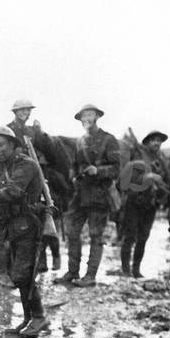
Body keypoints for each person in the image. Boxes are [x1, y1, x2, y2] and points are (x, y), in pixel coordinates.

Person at [0, 125, 49, 337]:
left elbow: (14, 191)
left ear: (12, 144)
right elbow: (0, 191)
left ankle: (39, 317)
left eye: (1, 145)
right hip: (11, 225)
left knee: (23, 273)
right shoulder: (1, 166)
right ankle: (28, 318)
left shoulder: (26, 164)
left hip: (27, 225)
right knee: (16, 274)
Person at [57, 104, 121, 287]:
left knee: (95, 235)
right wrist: (72, 174)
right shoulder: (80, 141)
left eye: (90, 115)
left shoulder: (108, 140)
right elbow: (75, 164)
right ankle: (72, 271)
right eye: (83, 116)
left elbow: (117, 169)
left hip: (99, 194)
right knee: (72, 231)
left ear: (97, 117)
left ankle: (90, 275)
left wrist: (98, 170)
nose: (86, 119)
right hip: (80, 193)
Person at [5, 99, 71, 274]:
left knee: (41, 219)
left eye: (27, 110)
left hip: (35, 179)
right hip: (17, 178)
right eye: (21, 110)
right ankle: (14, 268)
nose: (25, 113)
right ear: (15, 112)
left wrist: (40, 132)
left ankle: (42, 261)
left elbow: (50, 150)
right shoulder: (8, 130)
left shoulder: (32, 131)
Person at [117, 130, 170, 278]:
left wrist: (164, 194)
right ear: (147, 142)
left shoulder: (161, 159)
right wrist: (148, 177)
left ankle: (136, 269)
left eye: (159, 140)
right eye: (154, 140)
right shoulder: (137, 155)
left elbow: (167, 181)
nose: (157, 143)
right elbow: (127, 179)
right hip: (134, 200)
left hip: (151, 203)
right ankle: (125, 270)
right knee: (129, 236)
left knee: (143, 237)